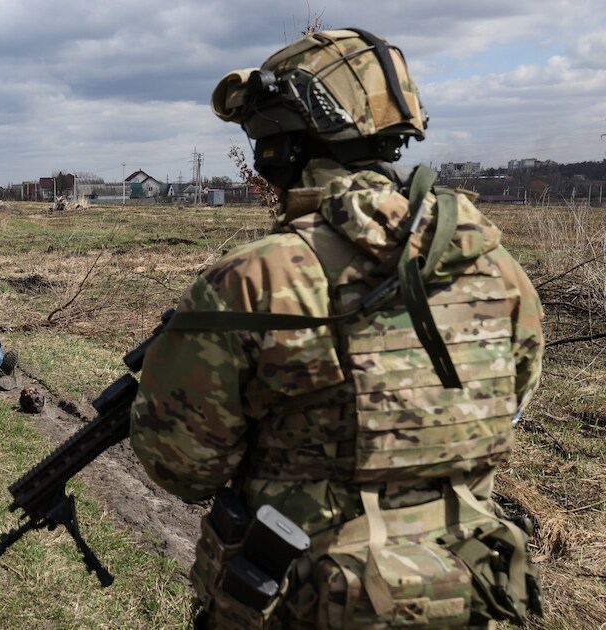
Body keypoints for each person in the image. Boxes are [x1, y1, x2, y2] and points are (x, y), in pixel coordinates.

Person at [130, 29, 544, 629]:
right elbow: (509, 409)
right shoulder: (500, 269)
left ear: (285, 139)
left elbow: (183, 466)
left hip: (305, 599)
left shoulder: (254, 280)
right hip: (468, 591)